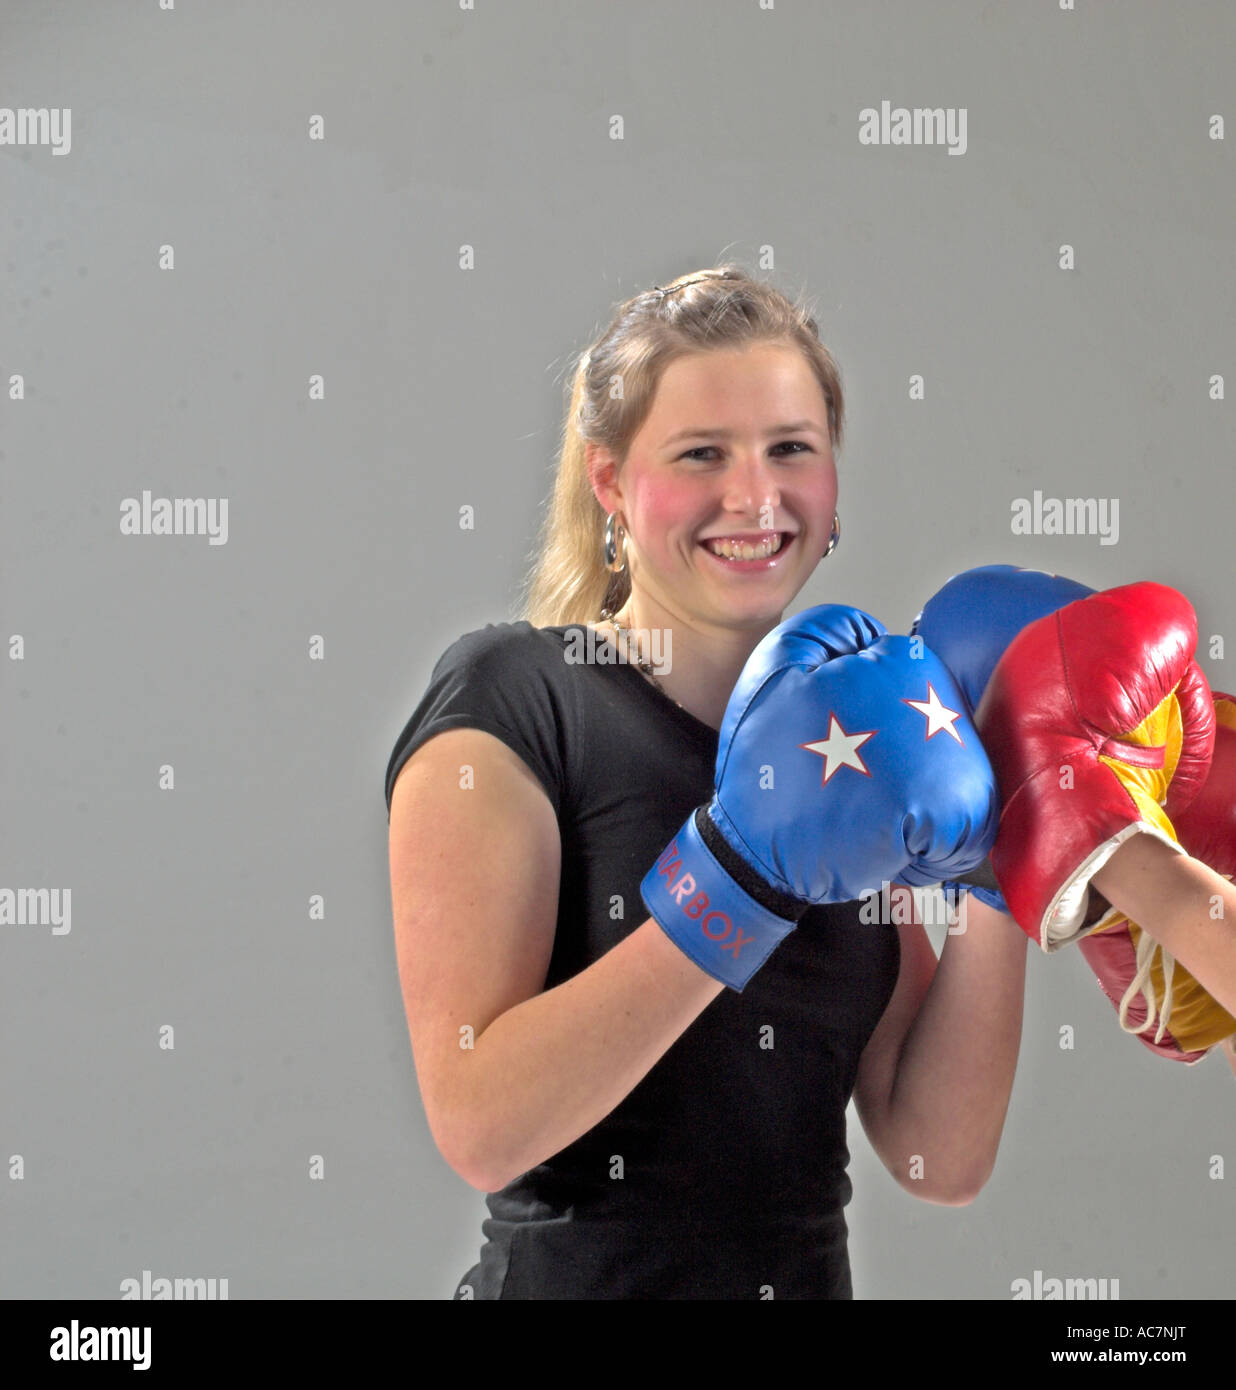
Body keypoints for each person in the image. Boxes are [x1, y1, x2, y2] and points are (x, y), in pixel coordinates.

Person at [384, 265, 1029, 1299]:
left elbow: (935, 1156)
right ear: (610, 486)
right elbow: (481, 1126)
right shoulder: (516, 698)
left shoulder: (859, 729)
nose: (755, 497)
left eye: (790, 450)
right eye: (701, 455)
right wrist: (736, 880)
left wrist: (1005, 858)